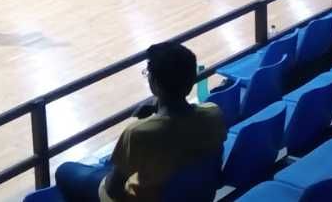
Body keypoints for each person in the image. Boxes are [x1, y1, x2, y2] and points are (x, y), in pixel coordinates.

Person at [55, 42, 226, 202]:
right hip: (199, 195)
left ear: (154, 83)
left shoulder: (138, 133)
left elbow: (112, 190)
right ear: (191, 81)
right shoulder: (213, 113)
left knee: (65, 171)